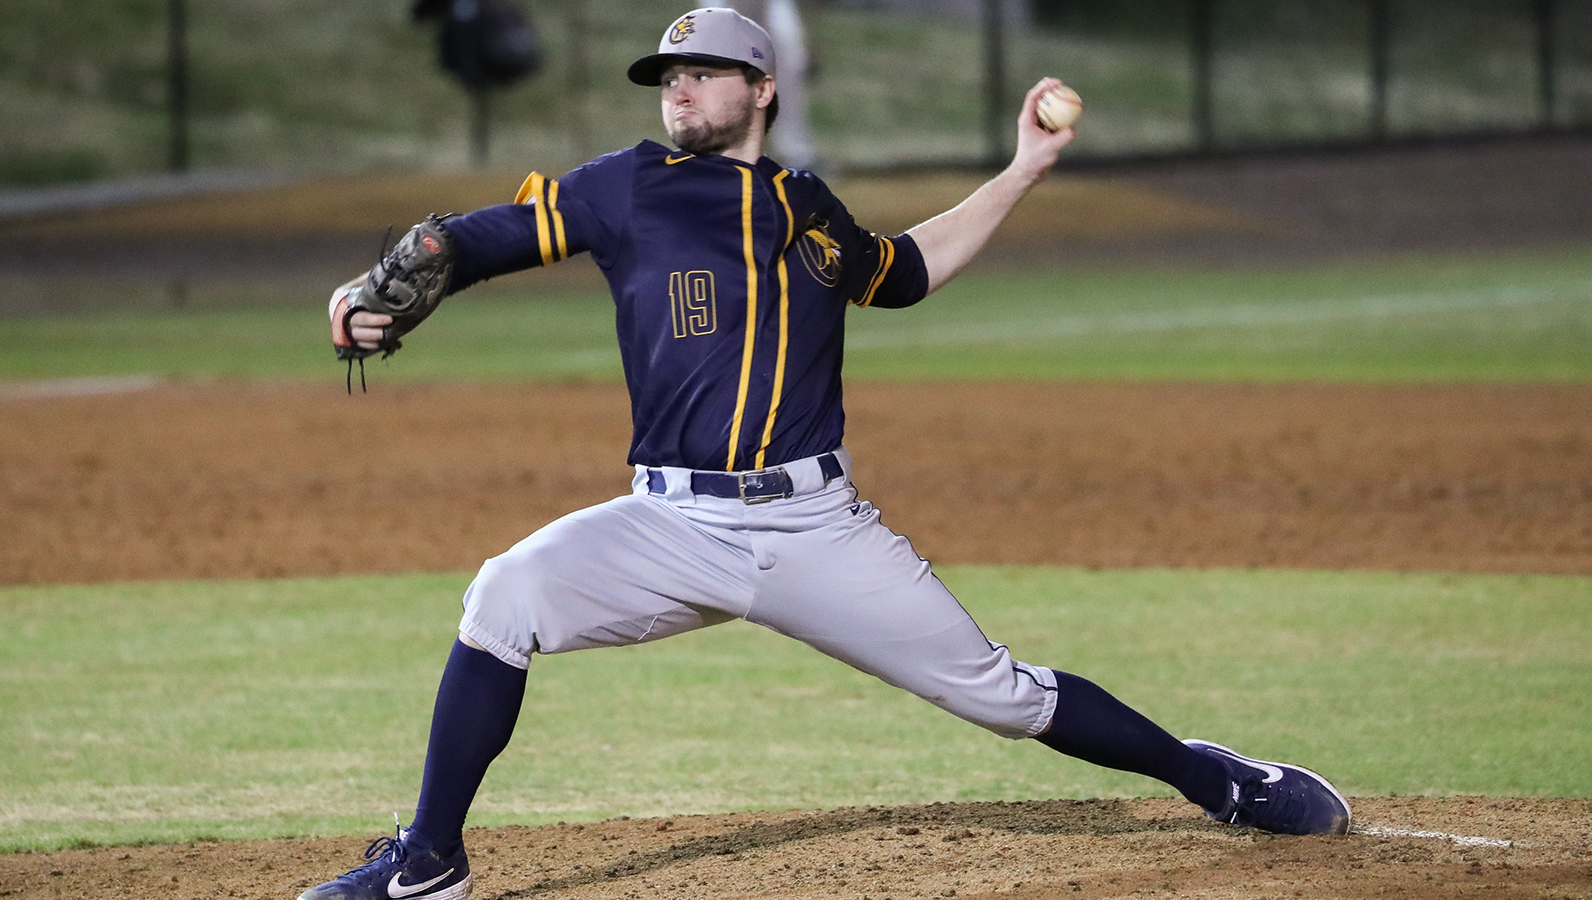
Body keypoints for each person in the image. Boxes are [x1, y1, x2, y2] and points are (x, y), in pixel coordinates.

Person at [302, 8, 1350, 900]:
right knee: (504, 596)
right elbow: (471, 242)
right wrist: (374, 297)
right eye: (668, 74)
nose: (678, 88)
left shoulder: (809, 209)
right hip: (671, 521)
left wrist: (1023, 168)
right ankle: (429, 860)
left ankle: (1218, 782)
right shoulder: (623, 187)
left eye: (701, 71)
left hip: (814, 529)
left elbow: (904, 270)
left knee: (1003, 695)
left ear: (760, 88)